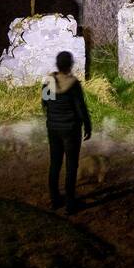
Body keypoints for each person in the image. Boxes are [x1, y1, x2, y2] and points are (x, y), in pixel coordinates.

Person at [41, 50, 92, 213]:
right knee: (71, 166)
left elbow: (45, 103)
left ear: (57, 64)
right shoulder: (73, 83)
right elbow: (80, 108)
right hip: (71, 129)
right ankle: (70, 203)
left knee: (55, 163)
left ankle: (55, 199)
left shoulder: (49, 80)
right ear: (70, 65)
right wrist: (87, 125)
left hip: (53, 128)